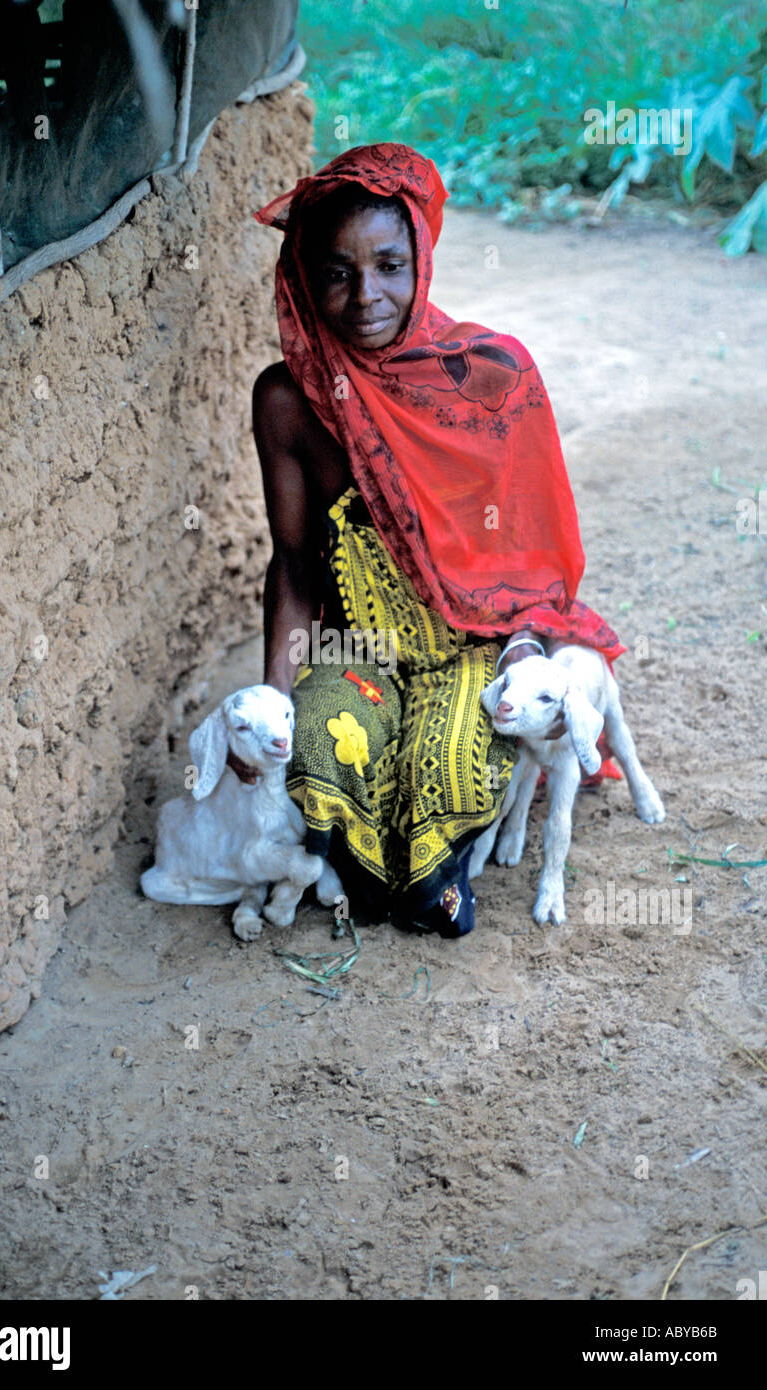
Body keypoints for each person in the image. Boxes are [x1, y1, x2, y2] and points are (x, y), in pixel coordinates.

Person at [249, 143, 623, 938]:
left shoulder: (490, 377)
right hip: (364, 654)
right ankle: (364, 873)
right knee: (318, 751)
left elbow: (528, 558)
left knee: (445, 769)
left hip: (472, 651)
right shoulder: (288, 400)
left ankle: (434, 880)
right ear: (303, 276)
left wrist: (526, 651)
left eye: (389, 264)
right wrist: (271, 703)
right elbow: (291, 563)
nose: (365, 296)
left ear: (422, 258)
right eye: (337, 271)